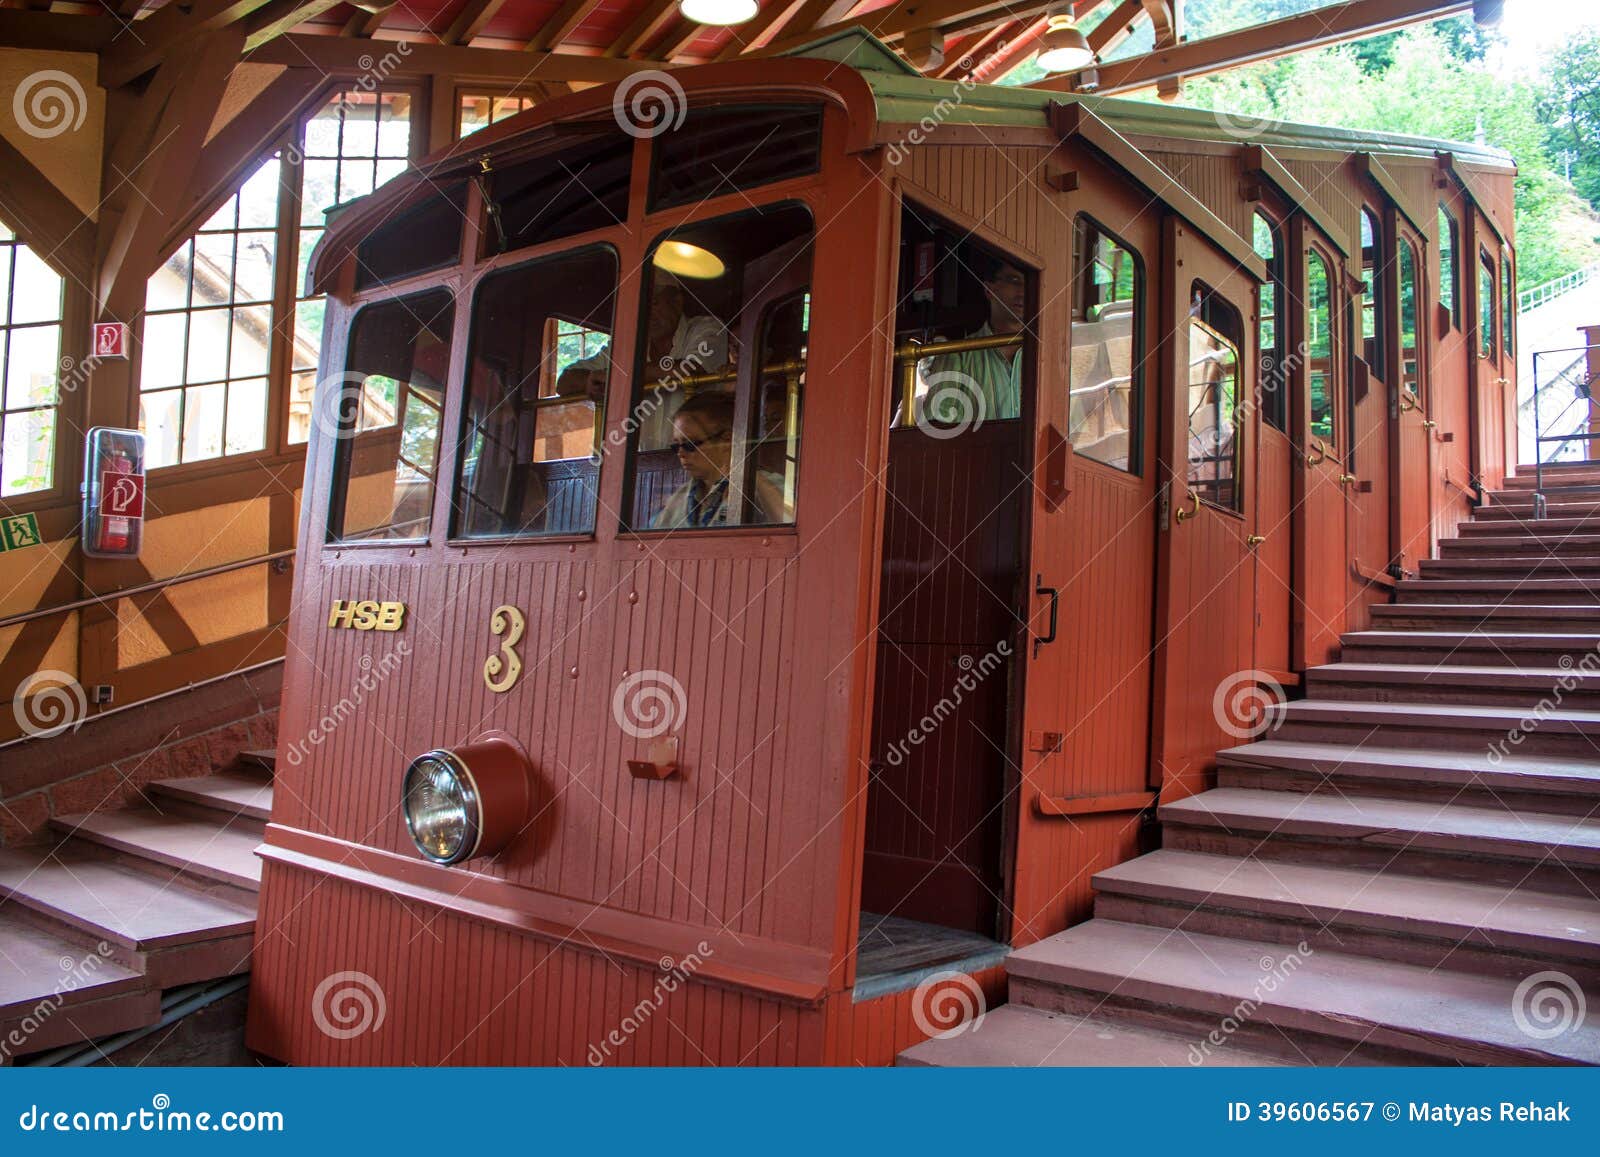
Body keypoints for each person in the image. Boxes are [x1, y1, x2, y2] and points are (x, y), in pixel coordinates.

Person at [555, 271, 729, 399]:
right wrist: (591, 379)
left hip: (698, 448)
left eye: (653, 303)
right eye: (639, 307)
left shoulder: (707, 328)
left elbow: (692, 369)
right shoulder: (628, 344)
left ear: (677, 301)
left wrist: (617, 377)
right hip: (636, 450)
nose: (646, 314)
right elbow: (563, 383)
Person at [652, 392, 788, 529]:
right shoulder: (679, 499)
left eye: (690, 444)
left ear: (727, 441)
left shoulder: (764, 485)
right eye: (676, 446)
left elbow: (794, 524)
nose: (681, 453)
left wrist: (750, 476)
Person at [920, 252, 1027, 424]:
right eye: (1013, 281)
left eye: (1028, 284)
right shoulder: (958, 354)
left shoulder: (1043, 356)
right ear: (989, 289)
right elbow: (937, 426)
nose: (1023, 292)